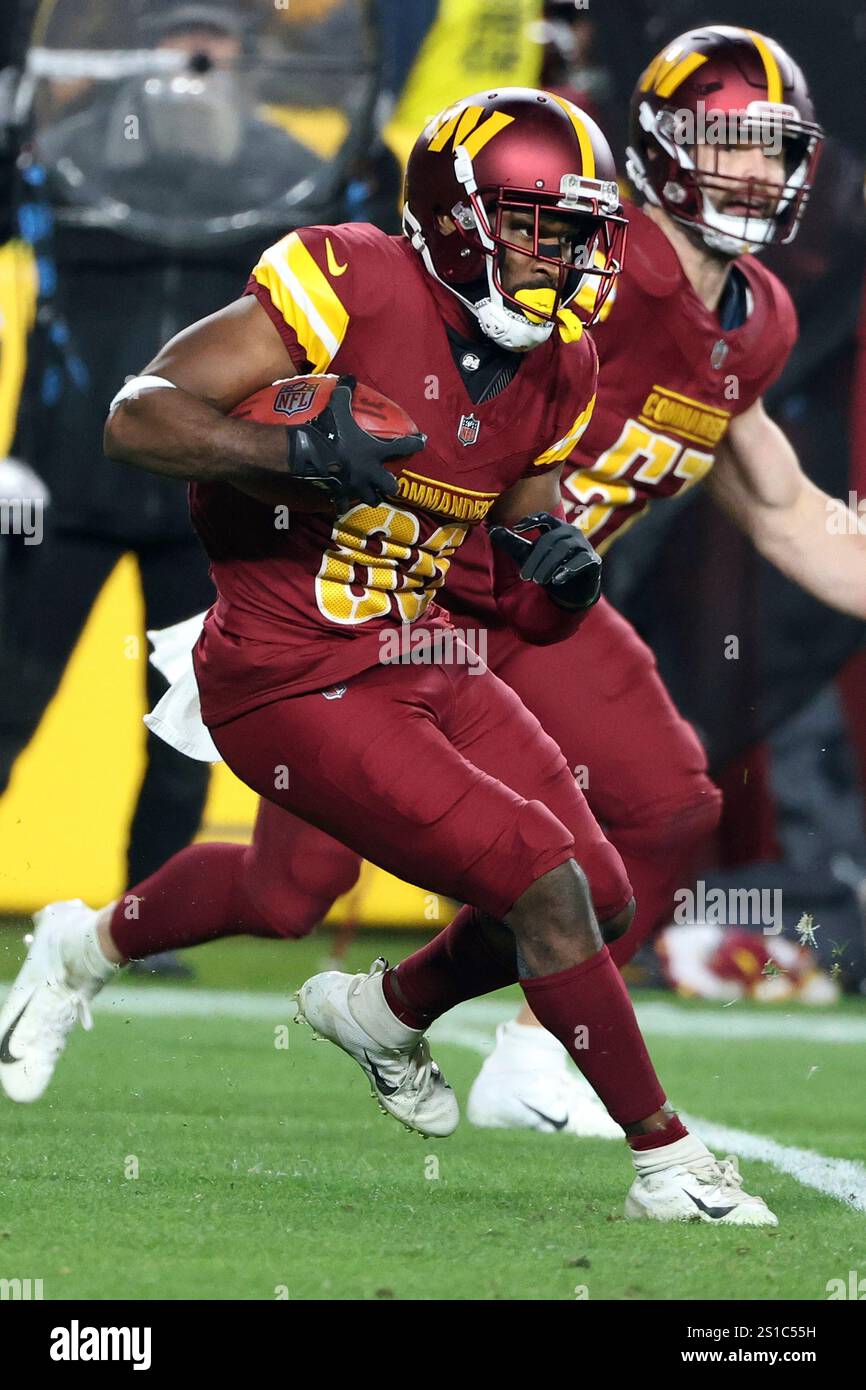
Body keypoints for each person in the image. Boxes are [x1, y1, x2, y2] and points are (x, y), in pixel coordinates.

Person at [0, 84, 779, 1226]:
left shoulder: (559, 367)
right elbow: (138, 415)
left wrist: (548, 571)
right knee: (541, 882)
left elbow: (515, 551)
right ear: (462, 219)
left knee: (585, 897)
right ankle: (664, 1161)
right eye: (538, 229)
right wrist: (284, 450)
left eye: (580, 233)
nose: (565, 261)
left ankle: (211, 975)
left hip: (424, 650)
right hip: (292, 668)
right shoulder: (352, 278)